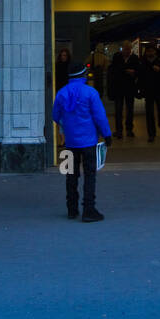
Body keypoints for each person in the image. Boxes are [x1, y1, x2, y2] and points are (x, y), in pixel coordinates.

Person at [52, 62, 112, 221]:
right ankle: (89, 209)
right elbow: (100, 116)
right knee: (89, 175)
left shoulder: (61, 93)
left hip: (69, 144)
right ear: (82, 75)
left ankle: (72, 209)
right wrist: (107, 135)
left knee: (70, 175)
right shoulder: (90, 92)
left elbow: (55, 115)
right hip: (88, 142)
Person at [107, 42, 139, 138]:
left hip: (129, 87)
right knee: (118, 110)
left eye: (128, 49)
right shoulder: (117, 57)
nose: (127, 51)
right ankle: (119, 130)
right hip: (119, 87)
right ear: (123, 49)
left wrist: (133, 72)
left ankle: (128, 129)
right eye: (126, 49)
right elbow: (113, 71)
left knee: (129, 109)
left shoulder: (134, 58)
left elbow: (138, 70)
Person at [139, 45, 160, 142]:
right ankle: (151, 133)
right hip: (148, 90)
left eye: (151, 51)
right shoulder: (143, 63)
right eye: (148, 51)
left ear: (155, 52)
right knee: (149, 113)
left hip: (159, 89)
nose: (150, 53)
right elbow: (141, 77)